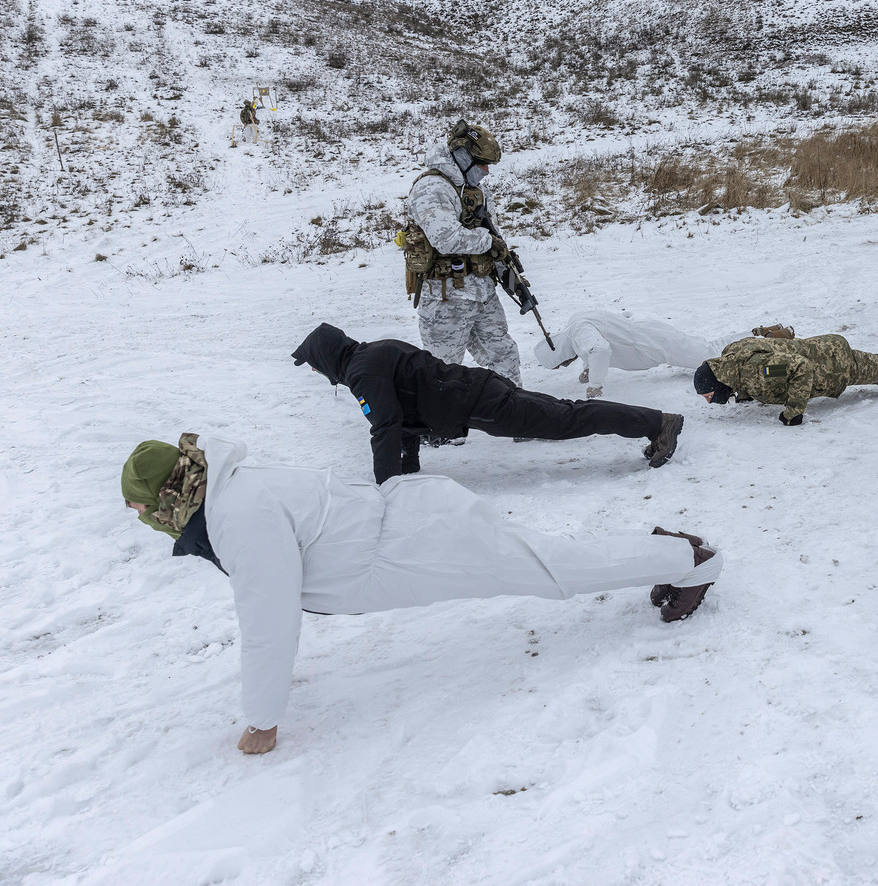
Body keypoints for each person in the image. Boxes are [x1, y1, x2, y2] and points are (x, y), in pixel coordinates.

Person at [119, 433, 722, 755]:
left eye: (142, 507)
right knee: (553, 560)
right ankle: (665, 548)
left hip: (421, 546)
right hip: (412, 532)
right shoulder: (234, 491)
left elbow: (268, 621)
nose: (143, 518)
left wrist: (262, 721)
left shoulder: (238, 517)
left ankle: (687, 559)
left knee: (555, 571)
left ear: (172, 492)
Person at [292, 323, 683, 483]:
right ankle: (653, 422)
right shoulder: (374, 353)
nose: (314, 372)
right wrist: (406, 471)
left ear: (326, 358)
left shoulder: (363, 372)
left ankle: (657, 423)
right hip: (480, 391)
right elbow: (406, 411)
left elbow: (387, 424)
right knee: (566, 413)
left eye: (313, 366)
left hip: (481, 404)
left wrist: (385, 486)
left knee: (566, 419)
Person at [400, 121, 523, 384]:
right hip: (446, 297)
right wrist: (489, 243)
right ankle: (438, 424)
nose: (486, 171)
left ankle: (514, 415)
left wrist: (507, 270)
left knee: (504, 355)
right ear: (463, 156)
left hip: (482, 291)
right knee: (441, 371)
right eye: (482, 164)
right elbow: (446, 238)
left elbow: (493, 234)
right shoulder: (432, 188)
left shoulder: (473, 189)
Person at [694, 333, 878, 424]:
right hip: (825, 348)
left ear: (718, 383)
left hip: (836, 365)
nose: (709, 401)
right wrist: (746, 392)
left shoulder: (758, 372)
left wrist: (794, 411)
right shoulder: (731, 356)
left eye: (709, 396)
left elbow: (799, 369)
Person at [532, 311, 792, 399]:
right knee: (707, 346)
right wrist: (589, 367)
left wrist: (595, 384)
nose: (565, 364)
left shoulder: (579, 334)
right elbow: (599, 338)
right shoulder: (576, 322)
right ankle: (763, 332)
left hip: (653, 345)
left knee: (711, 353)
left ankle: (769, 338)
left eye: (560, 364)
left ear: (559, 353)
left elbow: (600, 349)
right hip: (647, 331)